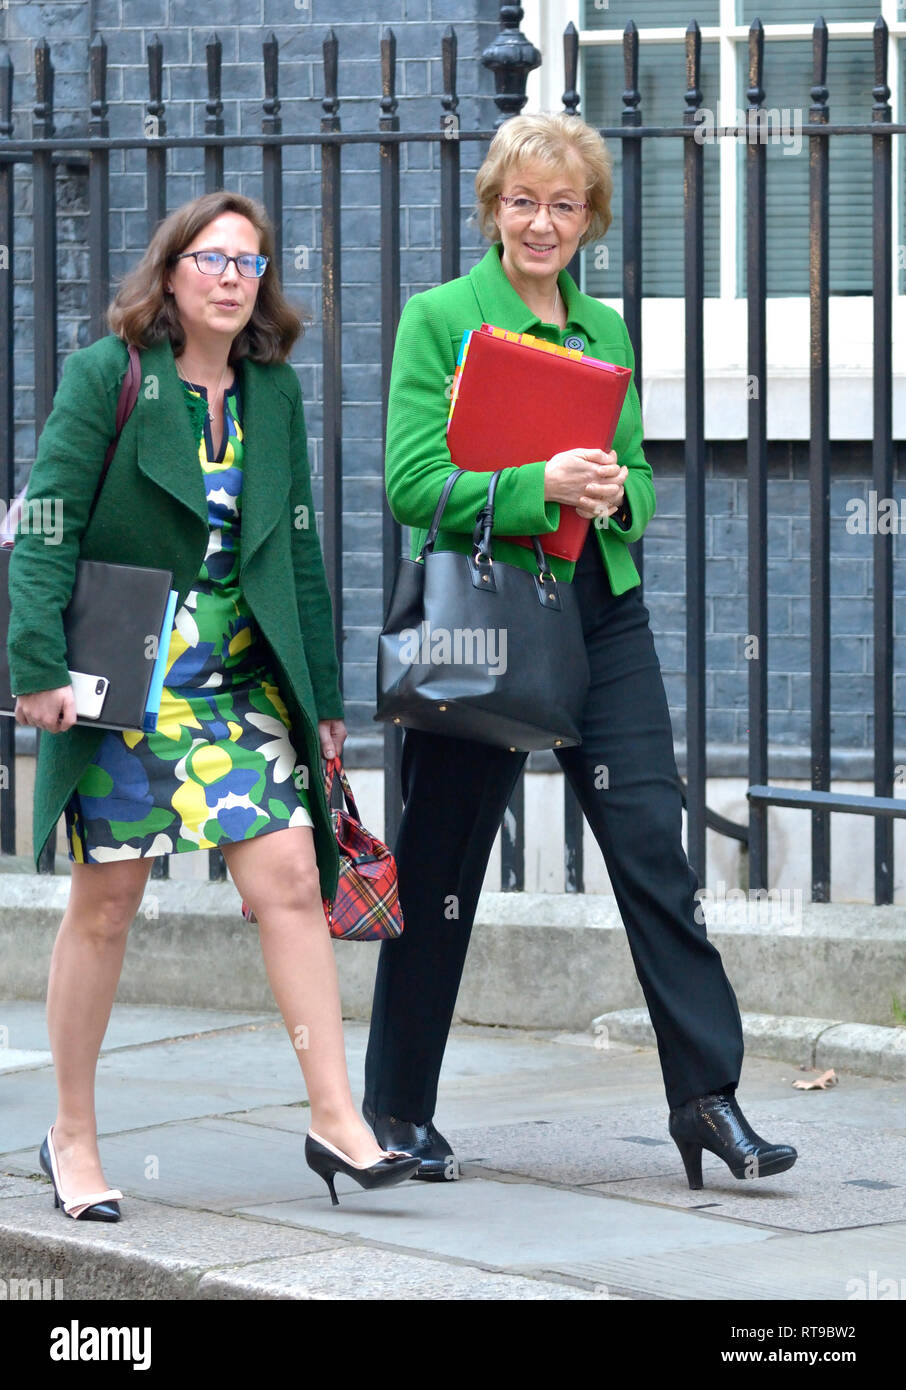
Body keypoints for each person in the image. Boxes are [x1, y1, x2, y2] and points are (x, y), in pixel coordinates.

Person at [362, 113, 797, 1192]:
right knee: (443, 864)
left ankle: (706, 1097)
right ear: (493, 210)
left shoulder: (605, 330)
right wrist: (533, 487)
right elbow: (413, 482)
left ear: (589, 217)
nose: (542, 223)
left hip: (600, 613)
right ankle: (397, 1109)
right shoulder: (443, 318)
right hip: (486, 614)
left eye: (563, 205)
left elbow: (640, 481)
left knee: (654, 845)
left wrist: (608, 494)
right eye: (522, 201)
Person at [8, 190, 418, 1218]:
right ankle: (72, 1133)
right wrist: (35, 664)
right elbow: (49, 518)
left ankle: (336, 1116)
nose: (234, 276)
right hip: (129, 678)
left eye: (252, 262)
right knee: (108, 900)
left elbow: (300, 544)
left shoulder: (270, 392)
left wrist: (320, 694)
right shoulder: (110, 376)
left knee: (288, 872)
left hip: (239, 680)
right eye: (213, 258)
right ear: (172, 272)